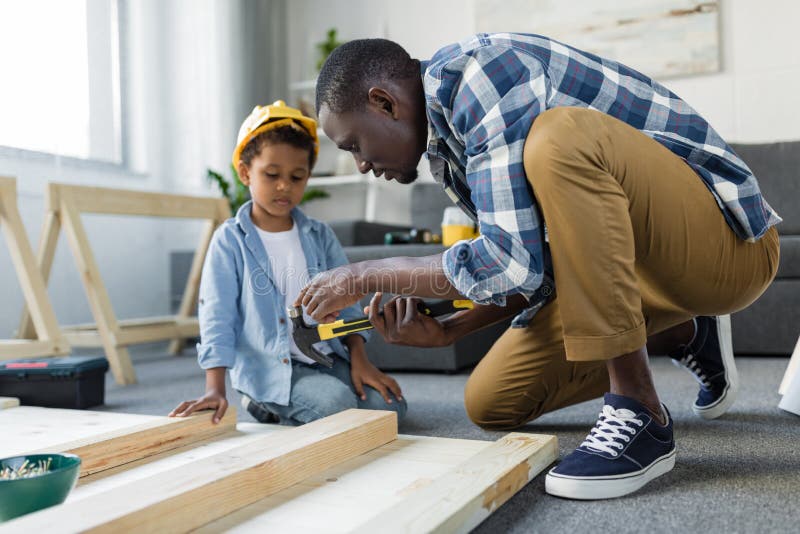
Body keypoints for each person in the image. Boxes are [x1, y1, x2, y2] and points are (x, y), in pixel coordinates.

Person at [294, 34, 780, 499]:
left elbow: (504, 259)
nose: (359, 164)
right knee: (493, 402)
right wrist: (449, 330)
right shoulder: (449, 153)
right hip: (640, 277)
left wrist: (362, 275)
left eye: (354, 144)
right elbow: (532, 267)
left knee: (558, 139)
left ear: (384, 102)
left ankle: (640, 412)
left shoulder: (480, 75)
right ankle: (683, 332)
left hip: (728, 247)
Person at [170, 100, 406, 427]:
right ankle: (261, 398)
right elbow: (217, 316)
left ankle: (298, 405)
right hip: (270, 368)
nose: (284, 186)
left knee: (390, 407)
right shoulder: (230, 241)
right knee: (337, 407)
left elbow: (350, 304)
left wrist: (360, 361)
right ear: (244, 172)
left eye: (297, 177)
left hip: (326, 359)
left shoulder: (319, 235)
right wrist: (215, 389)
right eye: (271, 175)